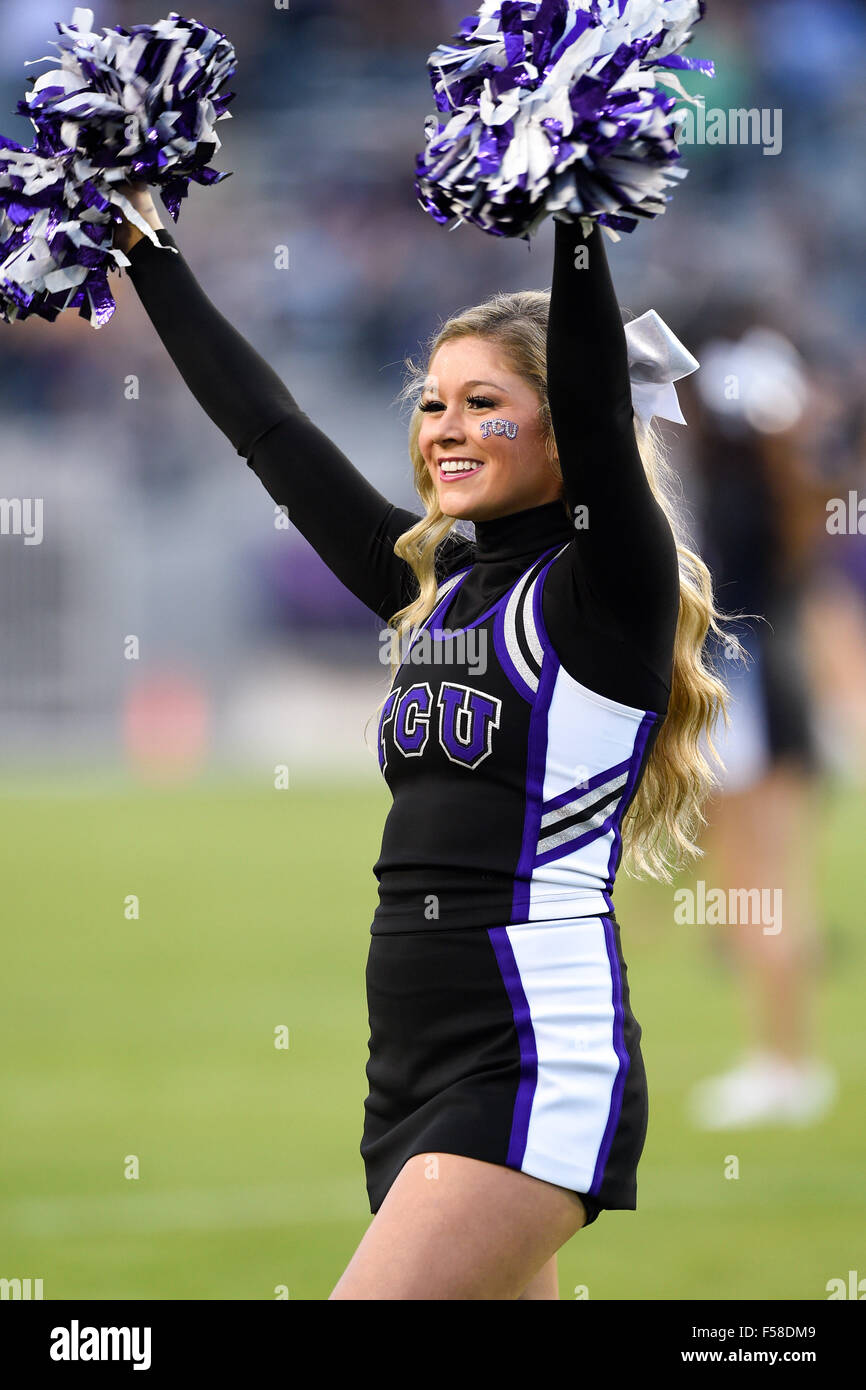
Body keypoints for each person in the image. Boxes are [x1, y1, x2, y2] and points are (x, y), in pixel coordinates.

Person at [113, 182, 729, 1300]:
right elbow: (271, 432)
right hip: (406, 1055)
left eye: (481, 402)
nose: (443, 428)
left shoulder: (599, 595)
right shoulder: (434, 583)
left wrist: (576, 204)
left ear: (557, 422)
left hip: (525, 1047)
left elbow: (598, 410)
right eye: (430, 403)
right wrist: (147, 250)